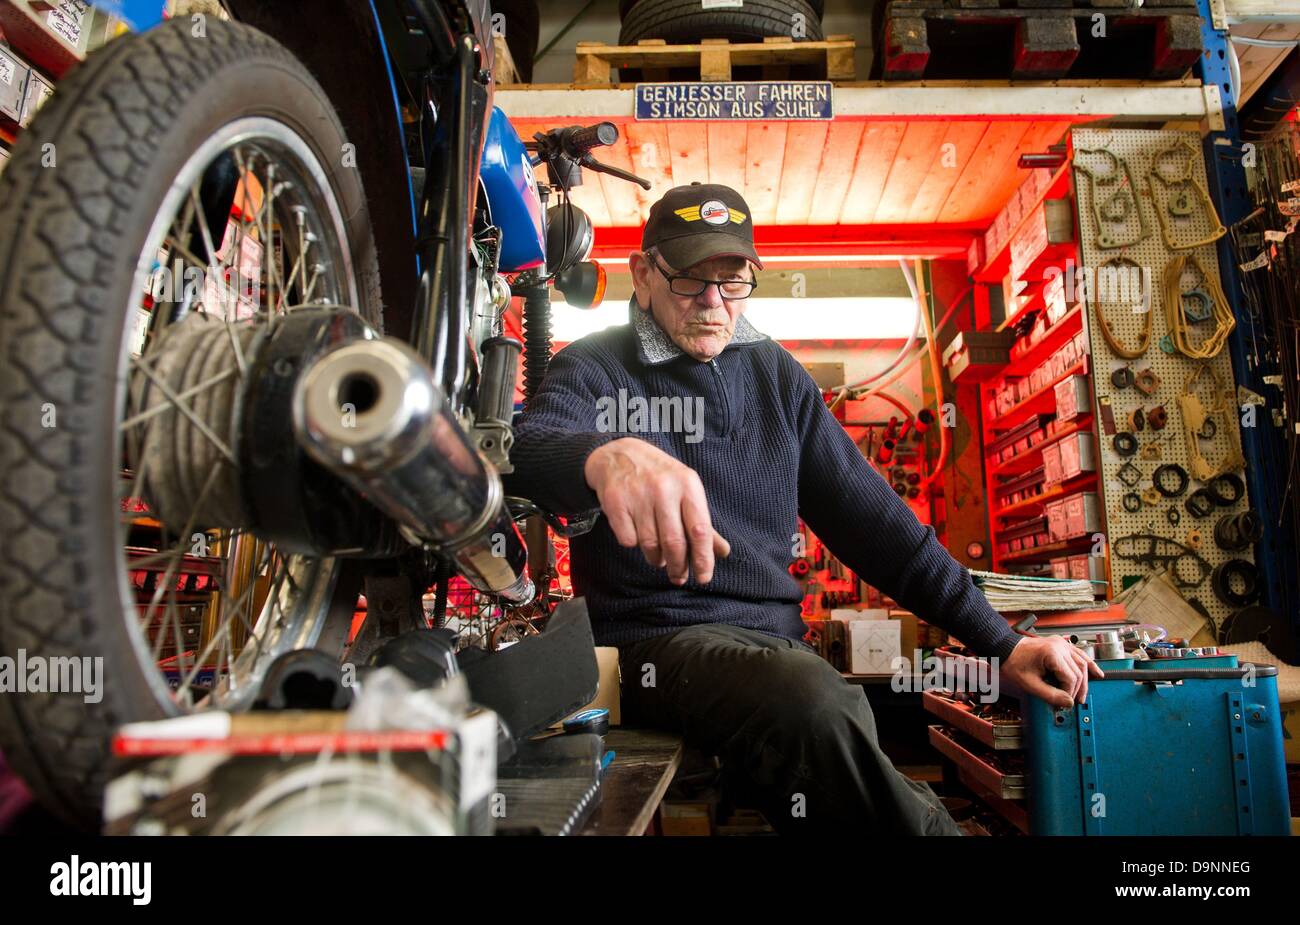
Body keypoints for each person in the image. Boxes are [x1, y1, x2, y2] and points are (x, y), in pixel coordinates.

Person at [503, 182, 1101, 834]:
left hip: (772, 651)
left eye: (732, 282)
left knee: (824, 707)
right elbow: (525, 450)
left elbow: (879, 527)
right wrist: (603, 454)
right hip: (643, 650)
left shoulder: (777, 377)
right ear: (643, 274)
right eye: (690, 280)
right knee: (811, 701)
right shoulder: (593, 368)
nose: (712, 302)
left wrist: (1002, 644)